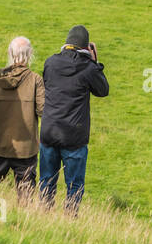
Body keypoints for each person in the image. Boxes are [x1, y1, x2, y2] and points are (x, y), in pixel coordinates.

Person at [39, 25, 109, 213]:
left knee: (46, 181)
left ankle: (42, 216)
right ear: (86, 46)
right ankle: (70, 218)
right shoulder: (88, 68)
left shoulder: (50, 62)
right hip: (74, 136)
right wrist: (95, 61)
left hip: (49, 131)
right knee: (74, 187)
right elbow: (103, 91)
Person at [0, 36, 45, 199]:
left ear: (10, 53)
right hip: (25, 148)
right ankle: (23, 224)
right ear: (30, 55)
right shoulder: (35, 80)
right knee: (26, 195)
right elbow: (43, 110)